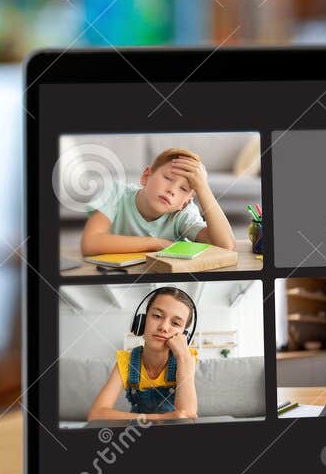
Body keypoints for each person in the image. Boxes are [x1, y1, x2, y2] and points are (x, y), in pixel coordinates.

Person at [81, 147, 235, 256]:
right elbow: (90, 243)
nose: (172, 190)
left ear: (186, 202)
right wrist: (155, 243)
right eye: (168, 178)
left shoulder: (183, 213)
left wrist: (203, 188)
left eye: (183, 189)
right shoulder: (115, 192)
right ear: (146, 176)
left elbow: (226, 246)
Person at [86, 287, 200, 420]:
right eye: (157, 316)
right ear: (141, 322)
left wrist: (183, 356)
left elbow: (188, 416)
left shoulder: (186, 359)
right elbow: (95, 415)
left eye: (175, 323)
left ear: (184, 335)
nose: (163, 327)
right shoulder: (126, 361)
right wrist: (158, 418)